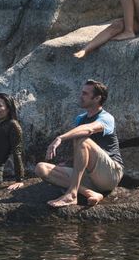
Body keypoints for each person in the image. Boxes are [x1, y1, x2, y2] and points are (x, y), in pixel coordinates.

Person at [32, 80, 123, 209]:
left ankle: (72, 194)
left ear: (97, 98)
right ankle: (89, 193)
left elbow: (89, 129)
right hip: (88, 176)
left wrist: (60, 138)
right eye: (82, 92)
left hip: (110, 174)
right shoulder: (80, 118)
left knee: (82, 139)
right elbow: (81, 151)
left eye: (85, 93)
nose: (81, 96)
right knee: (41, 168)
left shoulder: (106, 118)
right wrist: (68, 162)